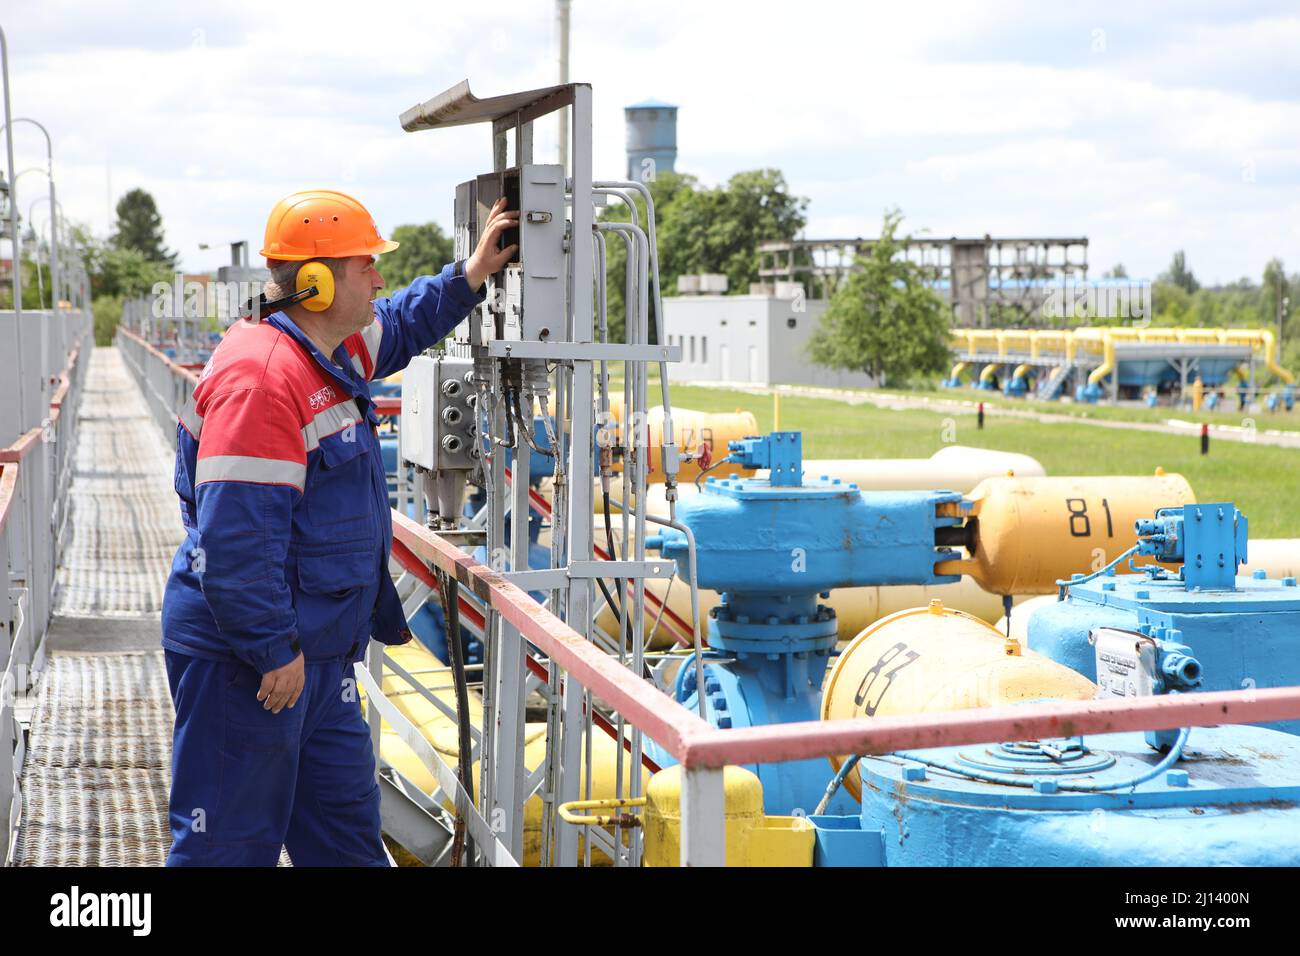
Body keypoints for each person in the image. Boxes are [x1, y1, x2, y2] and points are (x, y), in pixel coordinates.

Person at [160, 189, 517, 865]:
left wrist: (469, 276)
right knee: (226, 850)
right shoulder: (265, 379)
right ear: (319, 283)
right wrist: (271, 650)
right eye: (366, 267)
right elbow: (234, 542)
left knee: (348, 846)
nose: (379, 279)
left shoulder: (328, 348)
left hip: (316, 660)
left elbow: (404, 324)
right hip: (255, 665)